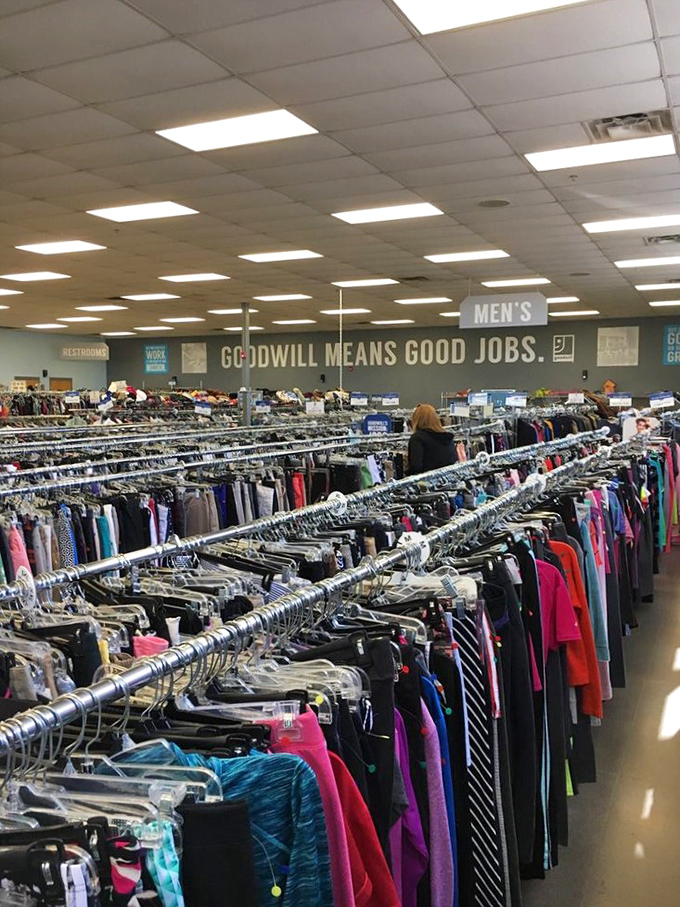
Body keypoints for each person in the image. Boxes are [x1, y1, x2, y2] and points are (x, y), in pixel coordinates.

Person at [407, 403, 457, 475]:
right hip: (448, 481)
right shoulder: (448, 437)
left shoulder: (417, 438)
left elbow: (416, 466)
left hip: (427, 482)